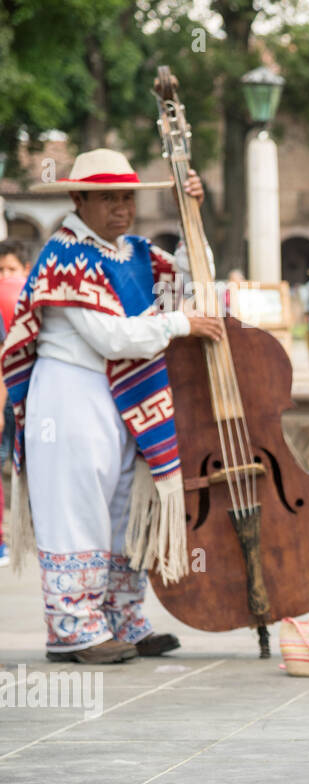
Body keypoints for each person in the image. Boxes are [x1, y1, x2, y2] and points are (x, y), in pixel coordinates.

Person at [0, 148, 222, 663]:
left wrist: (193, 219)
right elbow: (110, 337)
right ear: (79, 198)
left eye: (127, 196)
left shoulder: (136, 252)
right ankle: (75, 629)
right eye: (108, 197)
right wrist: (179, 324)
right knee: (78, 511)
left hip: (122, 397)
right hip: (70, 392)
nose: (121, 207)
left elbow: (194, 278)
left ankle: (122, 620)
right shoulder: (65, 253)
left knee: (122, 511)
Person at [0, 239, 30, 568]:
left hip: (25, 393)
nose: (5, 275)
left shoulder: (32, 297)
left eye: (11, 269)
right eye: (0, 270)